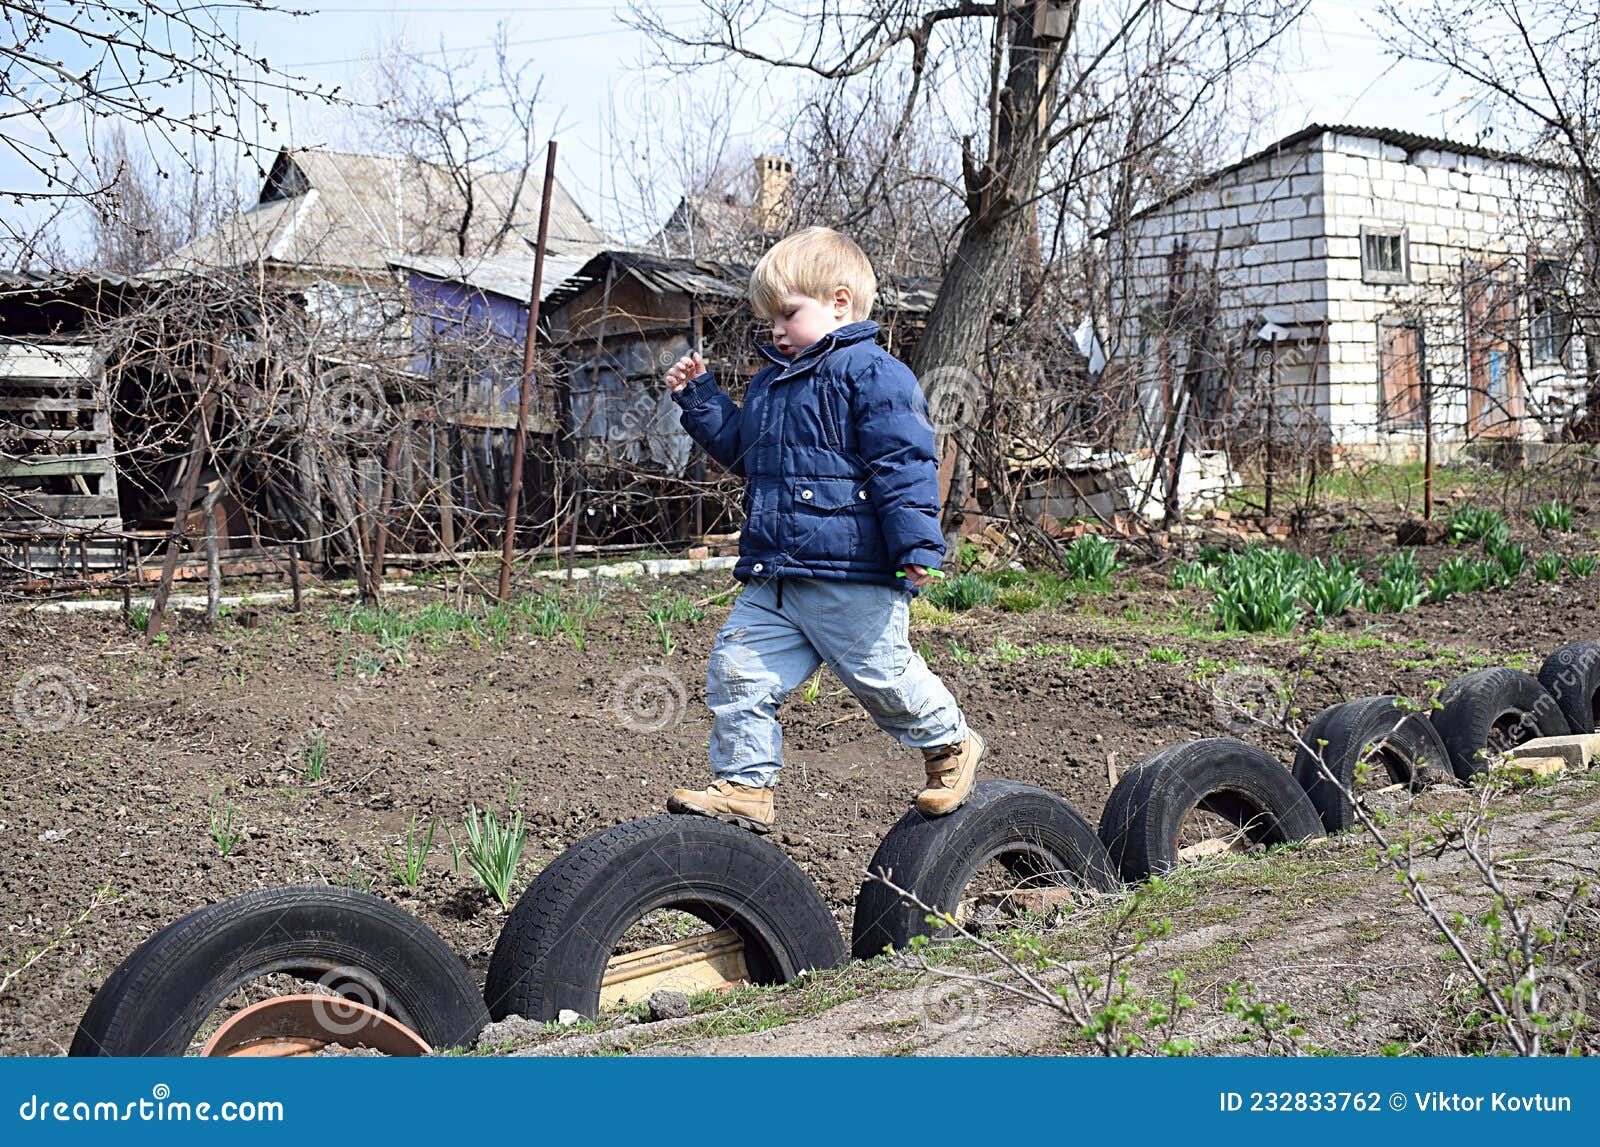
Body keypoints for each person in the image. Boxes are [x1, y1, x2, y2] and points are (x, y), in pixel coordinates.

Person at [660, 225, 983, 833]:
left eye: (787, 314)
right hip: (777, 576)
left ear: (839, 303)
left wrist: (917, 541)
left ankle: (950, 744)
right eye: (770, 319)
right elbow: (746, 451)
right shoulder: (769, 384)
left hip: (852, 574)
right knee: (736, 670)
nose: (775, 330)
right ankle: (746, 785)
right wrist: (701, 399)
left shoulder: (873, 374)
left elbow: (903, 461)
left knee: (882, 679)